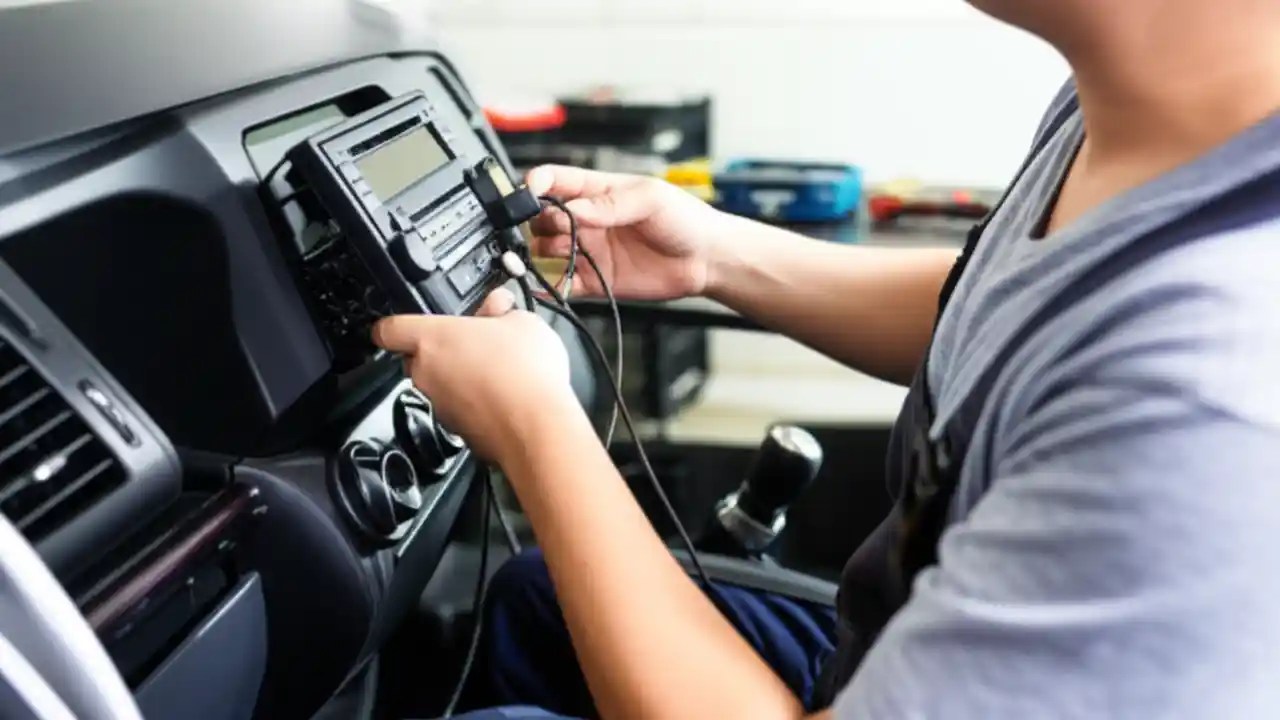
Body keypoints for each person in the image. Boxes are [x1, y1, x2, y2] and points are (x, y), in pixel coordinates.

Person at [372, 0, 1280, 717]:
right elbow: (1007, 311)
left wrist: (537, 426)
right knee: (539, 602)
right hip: (894, 643)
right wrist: (718, 256)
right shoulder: (1132, 108)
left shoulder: (1212, 397)